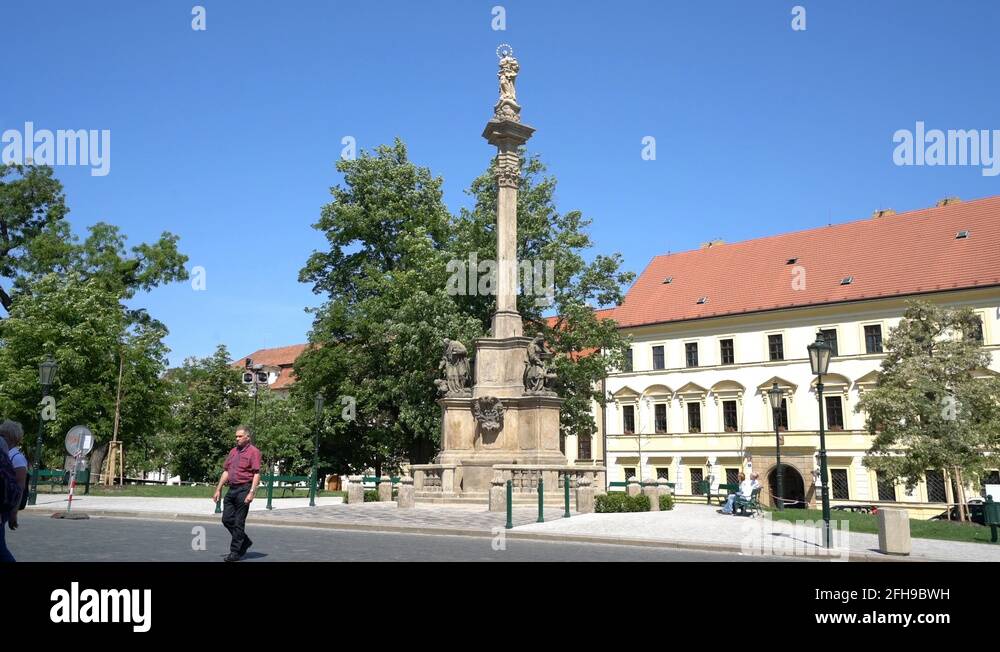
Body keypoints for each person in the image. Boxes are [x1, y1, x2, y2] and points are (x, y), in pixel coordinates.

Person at [212, 426, 261, 562]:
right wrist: (218, 489)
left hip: (244, 488)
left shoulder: (254, 452)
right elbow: (226, 471)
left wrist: (252, 492)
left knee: (239, 522)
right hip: (232, 489)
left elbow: (256, 473)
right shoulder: (233, 451)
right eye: (236, 437)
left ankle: (235, 552)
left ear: (247, 437)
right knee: (226, 519)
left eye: (240, 436)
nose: (237, 439)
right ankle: (244, 541)